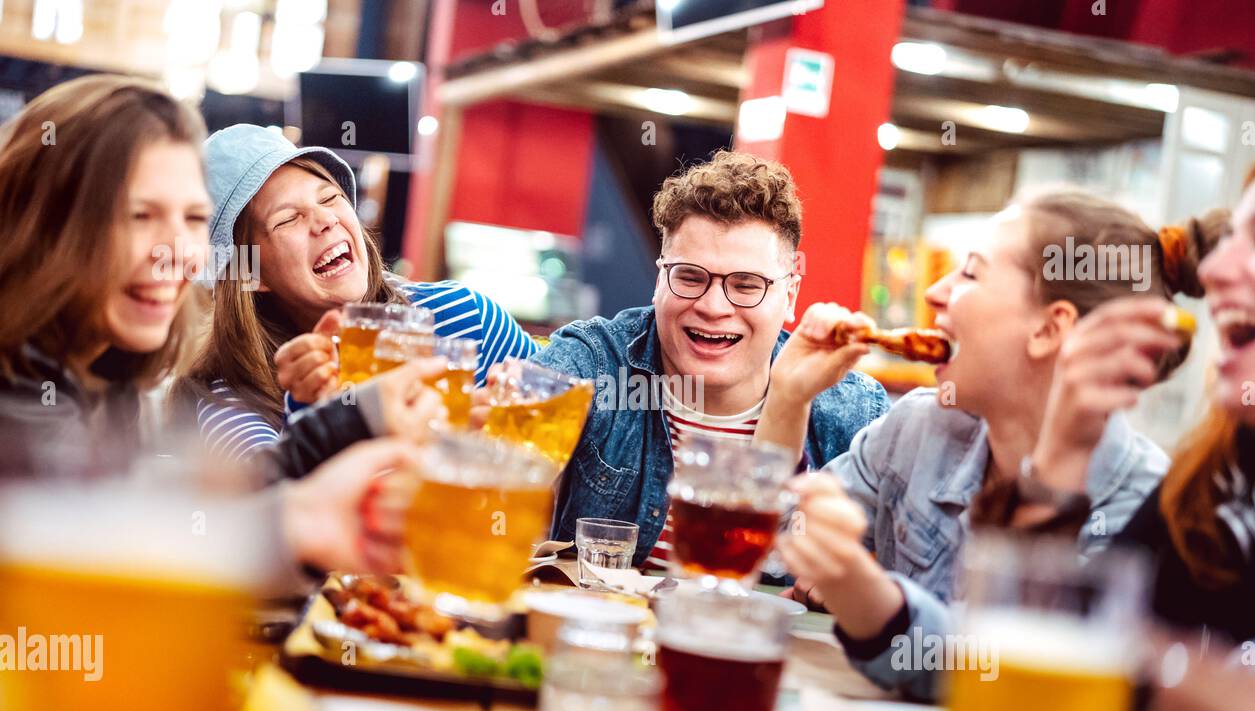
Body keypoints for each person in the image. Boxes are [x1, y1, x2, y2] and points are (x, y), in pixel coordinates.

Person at [771, 190, 1220, 699]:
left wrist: (864, 594)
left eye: (971, 274)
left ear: (1049, 329)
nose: (936, 291)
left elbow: (1010, 686)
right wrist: (788, 395)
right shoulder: (921, 426)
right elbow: (773, 550)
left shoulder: (1147, 507)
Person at [0, 76, 431, 573]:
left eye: (192, 219)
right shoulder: (23, 394)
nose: (179, 253)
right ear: (48, 224)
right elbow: (88, 556)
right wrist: (296, 520)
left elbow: (169, 513)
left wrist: (355, 417)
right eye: (140, 215)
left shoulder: (105, 381)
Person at [514, 150, 890, 567]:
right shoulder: (597, 363)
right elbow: (499, 483)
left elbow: (887, 575)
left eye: (746, 285)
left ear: (790, 296)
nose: (713, 306)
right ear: (660, 281)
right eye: (690, 276)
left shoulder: (853, 412)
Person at [985, 152, 1255, 647]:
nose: (1215, 267)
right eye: (1232, 238)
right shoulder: (1218, 482)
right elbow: (1039, 671)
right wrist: (1063, 451)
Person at [175, 124, 536, 463]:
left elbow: (568, 426)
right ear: (248, 273)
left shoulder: (464, 315)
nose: (325, 220)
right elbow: (272, 515)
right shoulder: (231, 402)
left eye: (330, 197)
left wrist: (516, 425)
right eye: (288, 219)